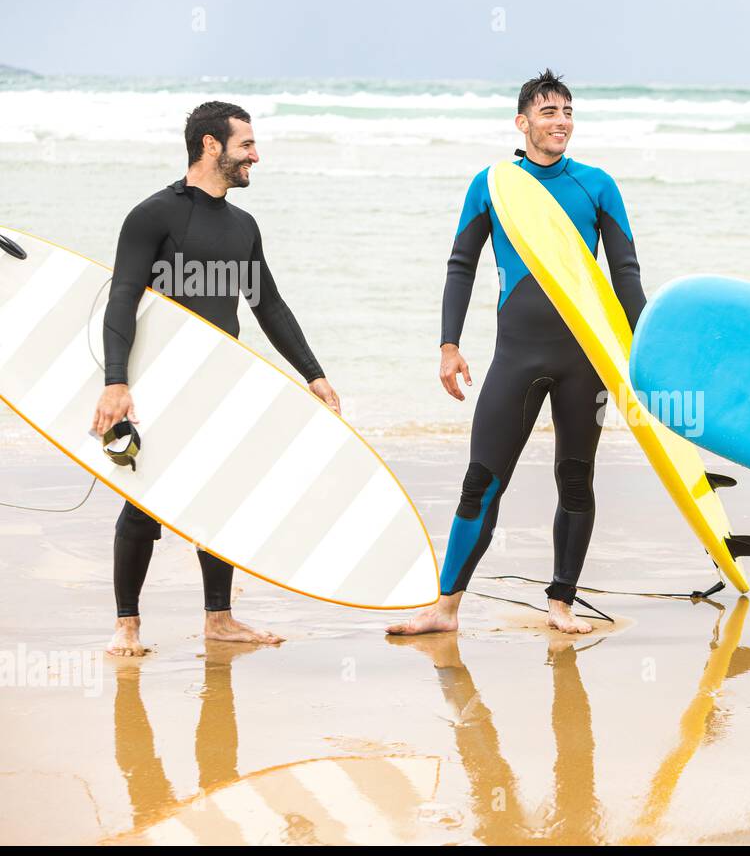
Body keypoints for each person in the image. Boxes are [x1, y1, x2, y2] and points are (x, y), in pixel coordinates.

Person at [389, 69, 646, 637]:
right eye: (549, 112)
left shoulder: (597, 186)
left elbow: (625, 272)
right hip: (516, 359)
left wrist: (643, 353)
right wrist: (449, 345)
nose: (561, 122)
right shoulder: (494, 184)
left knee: (575, 480)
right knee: (481, 481)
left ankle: (562, 603)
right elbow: (461, 265)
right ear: (522, 122)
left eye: (568, 112)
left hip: (585, 361)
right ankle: (445, 609)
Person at [93, 101, 341, 656]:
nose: (256, 155)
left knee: (220, 497)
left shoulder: (243, 226)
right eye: (246, 145)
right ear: (211, 146)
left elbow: (267, 304)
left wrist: (314, 374)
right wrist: (115, 381)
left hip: (221, 383)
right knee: (145, 501)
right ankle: (127, 626)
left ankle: (219, 619)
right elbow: (122, 298)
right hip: (160, 383)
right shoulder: (153, 215)